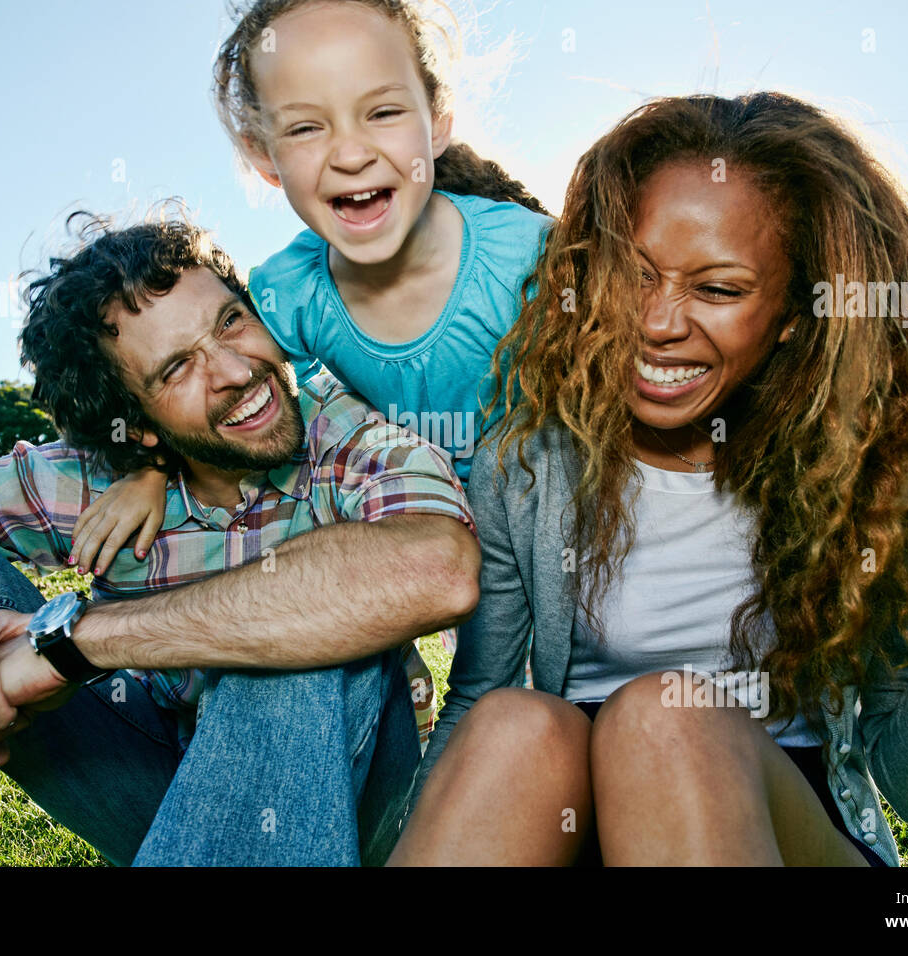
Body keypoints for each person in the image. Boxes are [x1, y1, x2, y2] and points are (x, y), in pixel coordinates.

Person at [389, 92, 908, 866]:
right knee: (510, 724)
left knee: (666, 716)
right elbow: (476, 695)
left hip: (783, 826)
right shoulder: (527, 463)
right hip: (579, 819)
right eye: (634, 274)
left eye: (719, 289)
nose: (657, 322)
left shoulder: (868, 469)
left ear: (799, 312)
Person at [0, 212, 480, 867]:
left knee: (295, 626)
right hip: (160, 789)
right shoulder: (88, 478)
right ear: (136, 426)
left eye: (231, 322)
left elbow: (437, 567)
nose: (236, 371)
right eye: (177, 368)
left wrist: (80, 641)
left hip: (358, 806)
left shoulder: (340, 424)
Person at [71, 0, 552, 678]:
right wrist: (150, 471)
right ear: (264, 158)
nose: (352, 154)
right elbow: (229, 397)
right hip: (423, 522)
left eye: (383, 112)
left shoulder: (526, 249)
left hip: (556, 514)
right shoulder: (285, 293)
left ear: (437, 120)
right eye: (305, 128)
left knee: (573, 688)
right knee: (482, 694)